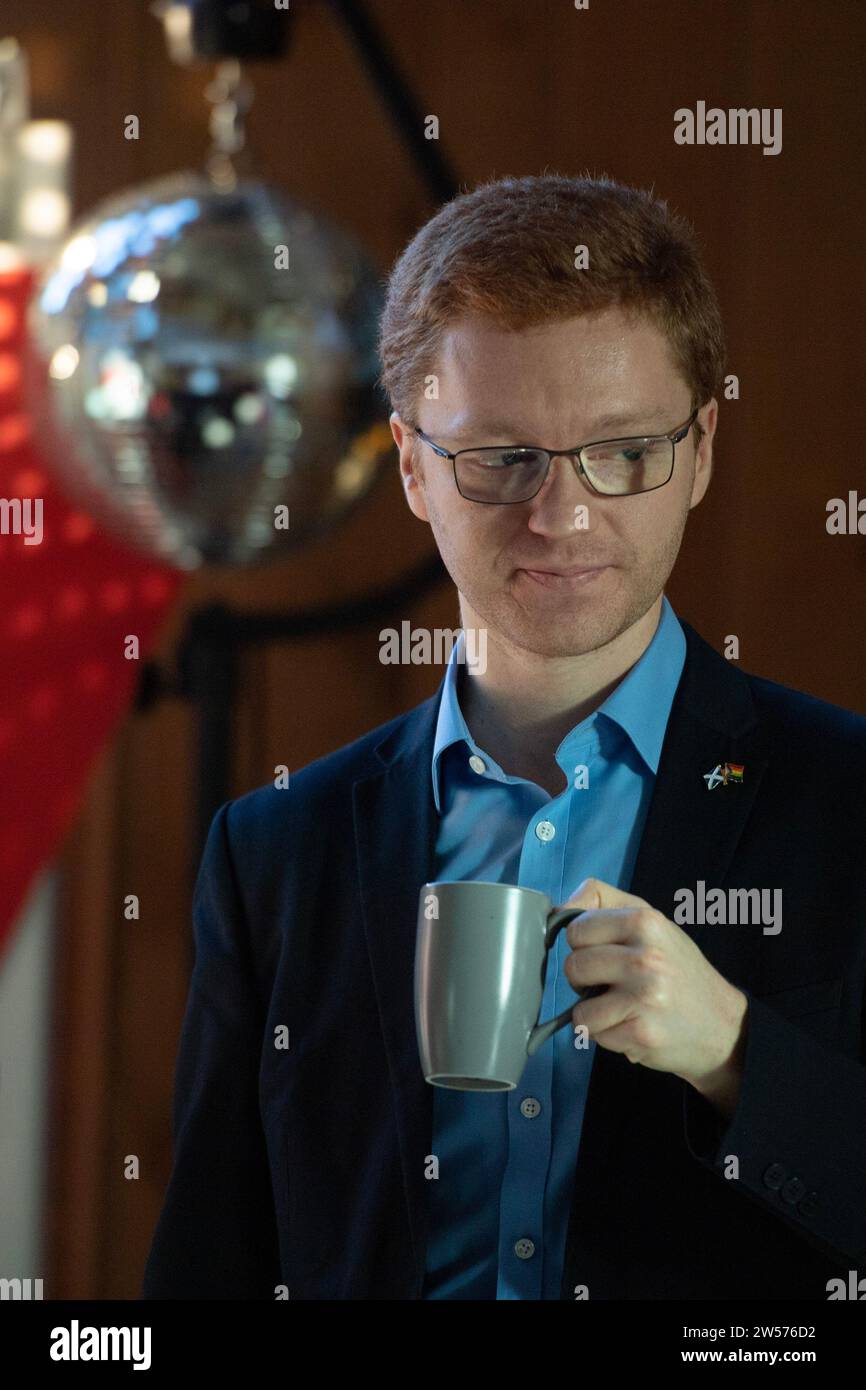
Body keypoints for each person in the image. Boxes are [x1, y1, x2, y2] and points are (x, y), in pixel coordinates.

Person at [142, 173, 866, 1300]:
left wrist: (735, 1054)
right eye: (500, 458)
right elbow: (209, 1263)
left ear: (703, 447)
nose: (561, 515)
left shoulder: (847, 802)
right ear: (411, 466)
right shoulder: (274, 851)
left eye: (624, 452)